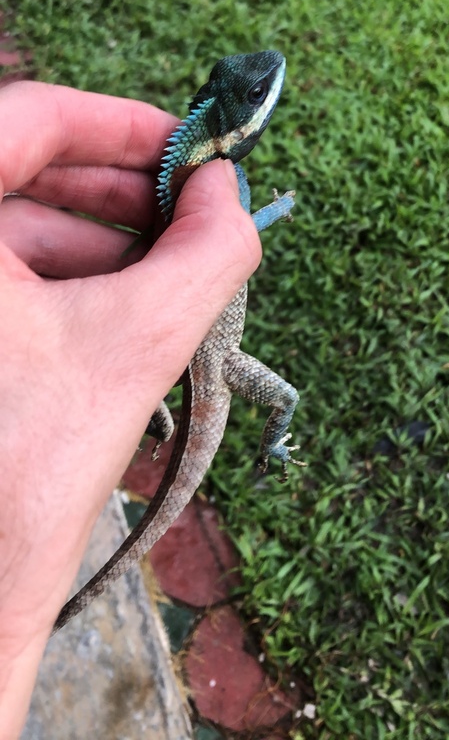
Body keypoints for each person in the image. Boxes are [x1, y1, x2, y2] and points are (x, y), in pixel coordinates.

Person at [0, 79, 261, 737]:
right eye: (254, 95)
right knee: (275, 398)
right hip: (212, 357)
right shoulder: (213, 180)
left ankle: (164, 416)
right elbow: (231, 239)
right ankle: (218, 427)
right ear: (230, 128)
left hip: (196, 355)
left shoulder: (205, 173)